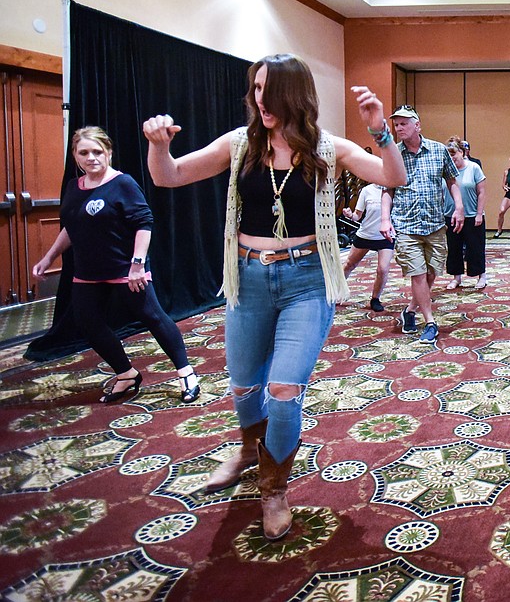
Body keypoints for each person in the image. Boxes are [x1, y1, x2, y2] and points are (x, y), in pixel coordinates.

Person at [142, 54, 406, 541]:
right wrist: (158, 146)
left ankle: (274, 487)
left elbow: (393, 177)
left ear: (296, 95)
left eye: (270, 90)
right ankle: (249, 449)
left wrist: (381, 131)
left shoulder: (327, 148)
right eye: (256, 89)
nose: (261, 99)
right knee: (244, 387)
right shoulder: (239, 144)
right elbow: (169, 175)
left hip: (307, 280)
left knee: (283, 391)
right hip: (247, 279)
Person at [32, 126, 200, 405]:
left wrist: (137, 265)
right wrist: (48, 257)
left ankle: (187, 374)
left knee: (153, 318)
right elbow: (71, 227)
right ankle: (126, 373)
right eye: (83, 152)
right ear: (75, 155)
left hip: (126, 270)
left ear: (108, 153)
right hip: (87, 273)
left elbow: (143, 224)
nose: (91, 158)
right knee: (88, 324)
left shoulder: (122, 183)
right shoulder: (74, 188)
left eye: (97, 152)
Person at [385, 105, 464, 344]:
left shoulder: (439, 151)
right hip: (407, 224)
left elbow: (451, 181)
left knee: (432, 273)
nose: (398, 128)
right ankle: (430, 321)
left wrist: (459, 207)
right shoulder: (393, 154)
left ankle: (410, 310)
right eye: (396, 124)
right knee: (417, 274)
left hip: (434, 223)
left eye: (403, 123)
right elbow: (387, 189)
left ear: (417, 125)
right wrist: (384, 219)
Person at [341, 182, 394, 311]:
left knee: (383, 269)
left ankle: (375, 299)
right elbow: (357, 216)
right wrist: (350, 215)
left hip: (386, 237)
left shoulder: (394, 190)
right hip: (366, 234)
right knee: (349, 264)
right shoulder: (367, 190)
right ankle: (337, 291)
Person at [443, 138, 488, 290]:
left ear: (461, 153)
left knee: (475, 247)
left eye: (454, 154)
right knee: (454, 247)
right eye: (449, 155)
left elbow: (481, 192)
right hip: (451, 215)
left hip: (472, 215)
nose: (452, 158)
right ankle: (456, 278)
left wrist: (479, 214)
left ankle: (481, 276)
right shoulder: (446, 171)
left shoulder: (474, 168)